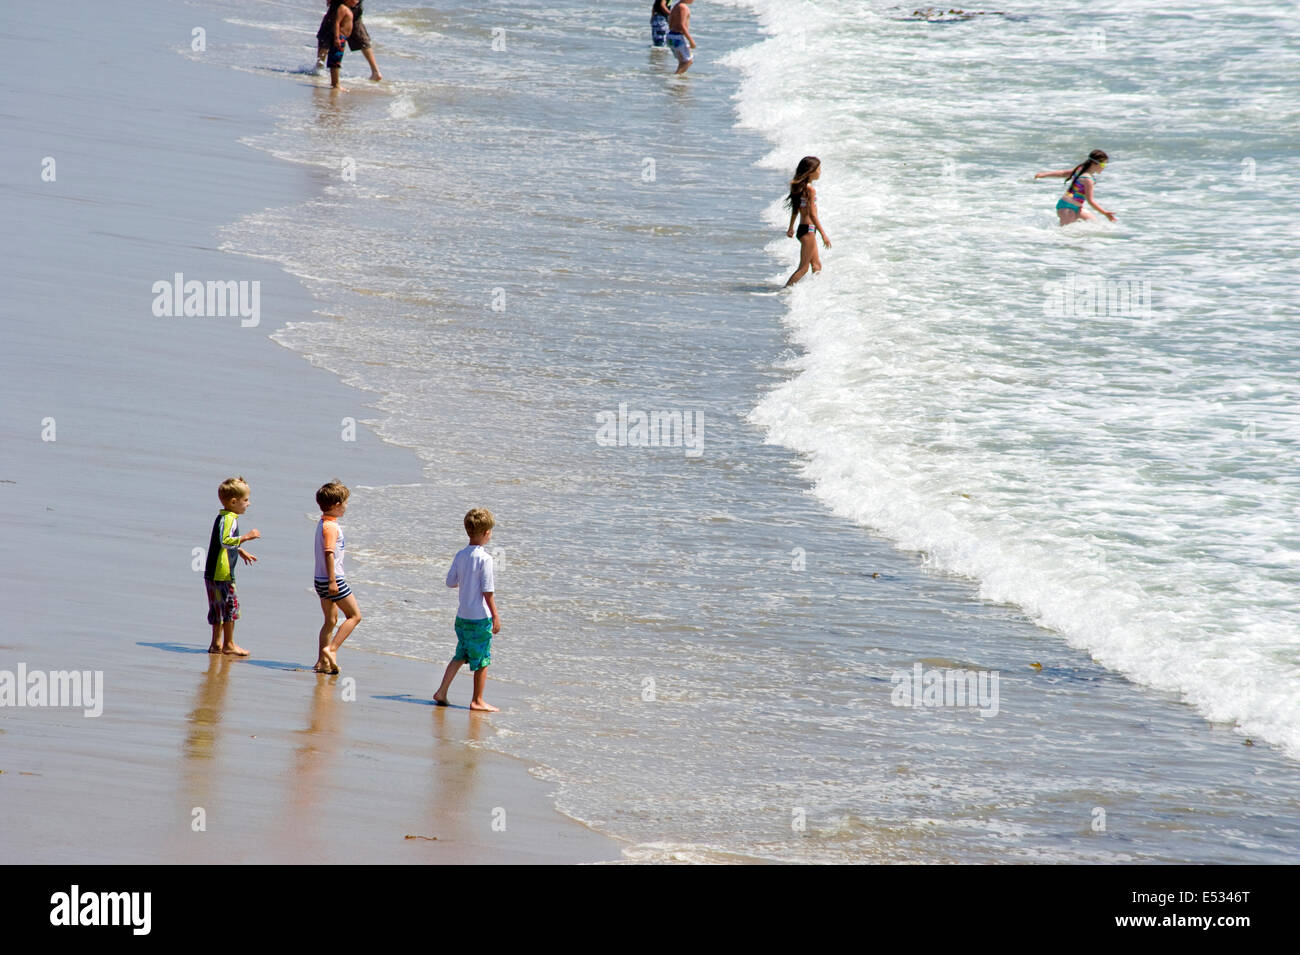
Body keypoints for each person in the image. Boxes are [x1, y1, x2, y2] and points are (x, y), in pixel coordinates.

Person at [433, 509, 501, 712]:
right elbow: (487, 591)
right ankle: (477, 700)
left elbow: (450, 582)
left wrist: (465, 579)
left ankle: (442, 691)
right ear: (487, 533)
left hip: (462, 617)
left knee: (460, 654)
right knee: (482, 660)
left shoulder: (461, 555)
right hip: (480, 618)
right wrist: (495, 615)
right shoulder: (485, 559)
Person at [204, 477, 260, 656]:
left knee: (217, 607)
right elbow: (225, 541)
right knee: (230, 607)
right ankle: (228, 644)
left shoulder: (223, 517)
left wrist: (240, 550)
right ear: (234, 502)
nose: (248, 504)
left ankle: (216, 644)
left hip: (214, 571)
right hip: (223, 572)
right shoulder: (229, 519)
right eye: (246, 500)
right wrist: (246, 537)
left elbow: (222, 543)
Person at [313, 480, 362, 673]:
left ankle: (321, 663)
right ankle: (331, 649)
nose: (346, 506)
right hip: (333, 580)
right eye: (345, 503)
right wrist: (333, 581)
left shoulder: (323, 523)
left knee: (330, 621)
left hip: (320, 579)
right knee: (354, 616)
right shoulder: (331, 527)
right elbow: (329, 553)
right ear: (337, 505)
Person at [1035, 149, 1117, 226]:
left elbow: (1063, 173)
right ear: (1094, 163)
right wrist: (1105, 213)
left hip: (1077, 207)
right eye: (1103, 164)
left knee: (1097, 225)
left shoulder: (1080, 169)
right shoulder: (1087, 179)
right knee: (1066, 232)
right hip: (1066, 207)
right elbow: (1090, 201)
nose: (1104, 167)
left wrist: (1044, 175)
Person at [784, 156, 831, 286]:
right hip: (809, 230)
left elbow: (795, 209)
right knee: (803, 268)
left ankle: (815, 291)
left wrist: (791, 227)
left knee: (816, 265)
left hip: (803, 229)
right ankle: (784, 290)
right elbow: (812, 214)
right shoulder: (810, 189)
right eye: (819, 169)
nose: (820, 172)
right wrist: (823, 235)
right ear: (811, 171)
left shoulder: (800, 187)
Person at [316, 0, 381, 82]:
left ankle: (319, 68)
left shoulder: (342, 7)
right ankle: (375, 71)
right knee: (360, 36)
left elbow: (336, 23)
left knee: (327, 34)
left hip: (341, 7)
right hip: (351, 13)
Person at [666, 0, 697, 74]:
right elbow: (682, 25)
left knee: (682, 61)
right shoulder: (683, 7)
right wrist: (691, 41)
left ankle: (678, 80)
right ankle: (675, 77)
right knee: (688, 61)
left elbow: (670, 21)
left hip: (671, 35)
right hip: (677, 37)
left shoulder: (676, 5)